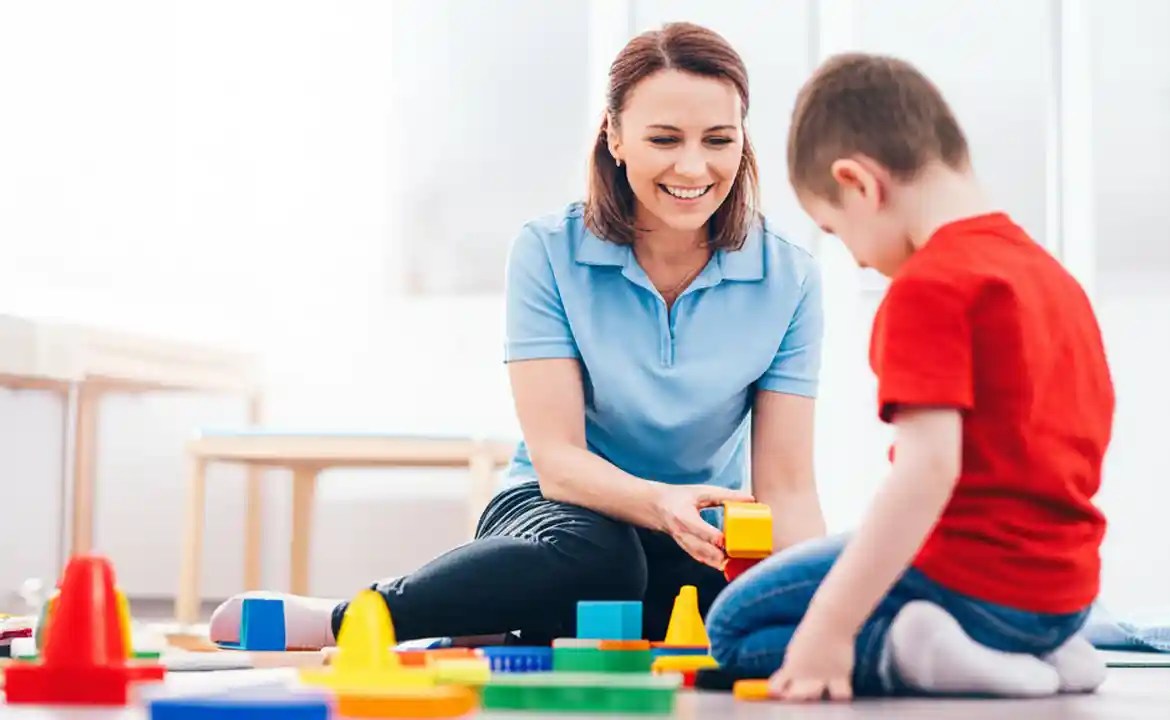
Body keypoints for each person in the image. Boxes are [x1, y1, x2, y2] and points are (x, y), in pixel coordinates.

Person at [208, 22, 827, 650]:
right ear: (614, 136)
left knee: (736, 604)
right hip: (557, 515)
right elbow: (559, 464)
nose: (693, 166)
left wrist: (816, 610)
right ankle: (351, 619)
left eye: (718, 139)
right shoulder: (548, 250)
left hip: (691, 531)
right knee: (607, 565)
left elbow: (788, 490)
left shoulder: (790, 276)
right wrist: (661, 501)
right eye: (664, 138)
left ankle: (494, 618)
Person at [705, 53, 1115, 701]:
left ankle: (912, 651)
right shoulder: (1050, 278)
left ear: (859, 184)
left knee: (734, 626)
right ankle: (1041, 646)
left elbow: (927, 472)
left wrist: (831, 631)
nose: (860, 259)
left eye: (837, 231)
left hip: (974, 584)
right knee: (835, 567)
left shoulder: (930, 287)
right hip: (1065, 593)